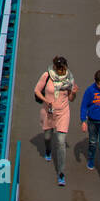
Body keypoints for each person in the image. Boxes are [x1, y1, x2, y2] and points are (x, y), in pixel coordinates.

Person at [35, 56, 78, 187]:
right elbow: (36, 90)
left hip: (63, 113)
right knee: (48, 137)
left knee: (60, 142)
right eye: (58, 68)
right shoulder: (47, 75)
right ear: (54, 67)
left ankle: (61, 172)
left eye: (63, 68)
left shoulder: (69, 78)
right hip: (48, 112)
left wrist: (74, 93)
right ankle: (48, 150)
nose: (61, 71)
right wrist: (46, 100)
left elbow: (71, 98)